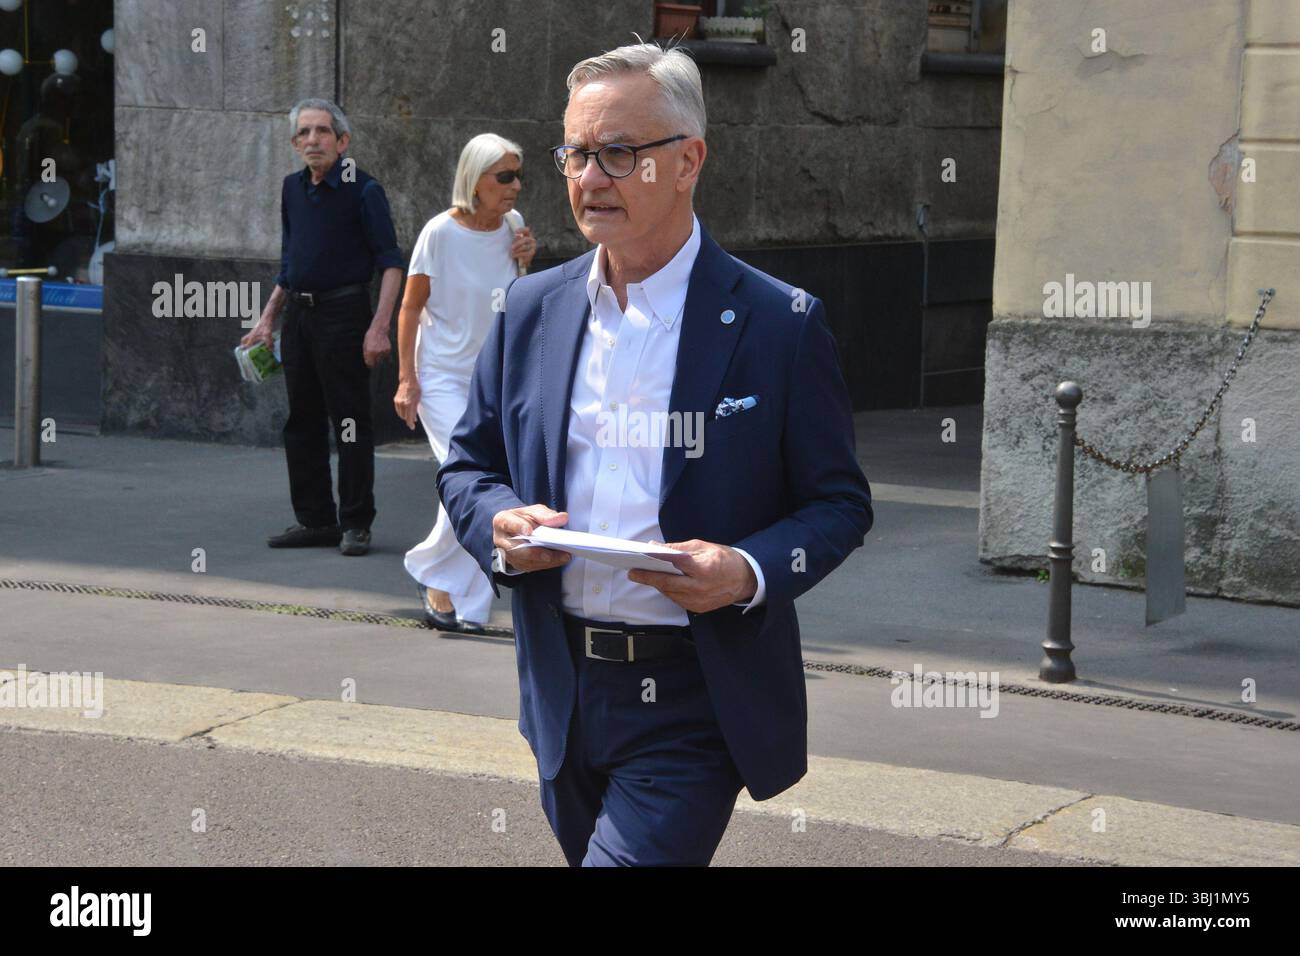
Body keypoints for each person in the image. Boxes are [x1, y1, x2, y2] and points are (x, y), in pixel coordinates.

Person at [436, 43, 873, 866]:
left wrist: (745, 570)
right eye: (575, 153)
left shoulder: (779, 325)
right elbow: (468, 466)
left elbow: (839, 505)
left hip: (695, 697)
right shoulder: (532, 309)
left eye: (619, 153)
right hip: (563, 687)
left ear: (688, 161)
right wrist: (500, 522)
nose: (589, 178)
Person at [242, 98, 404, 556]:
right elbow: (289, 262)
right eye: (304, 133)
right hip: (299, 315)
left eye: (323, 131)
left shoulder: (362, 189)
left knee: (350, 421)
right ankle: (315, 520)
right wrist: (268, 318)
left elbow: (390, 264)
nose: (313, 140)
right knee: (302, 421)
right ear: (295, 144)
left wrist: (379, 327)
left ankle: (355, 522)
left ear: (342, 140)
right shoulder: (292, 188)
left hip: (345, 315)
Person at [393, 134, 537, 632]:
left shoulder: (514, 227)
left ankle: (461, 598)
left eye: (518, 175)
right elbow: (410, 308)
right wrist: (406, 379)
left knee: (481, 480)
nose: (515, 186)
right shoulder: (440, 233)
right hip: (440, 377)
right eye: (504, 176)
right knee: (468, 475)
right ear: (474, 181)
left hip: (490, 380)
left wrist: (527, 259)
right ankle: (436, 579)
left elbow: (512, 301)